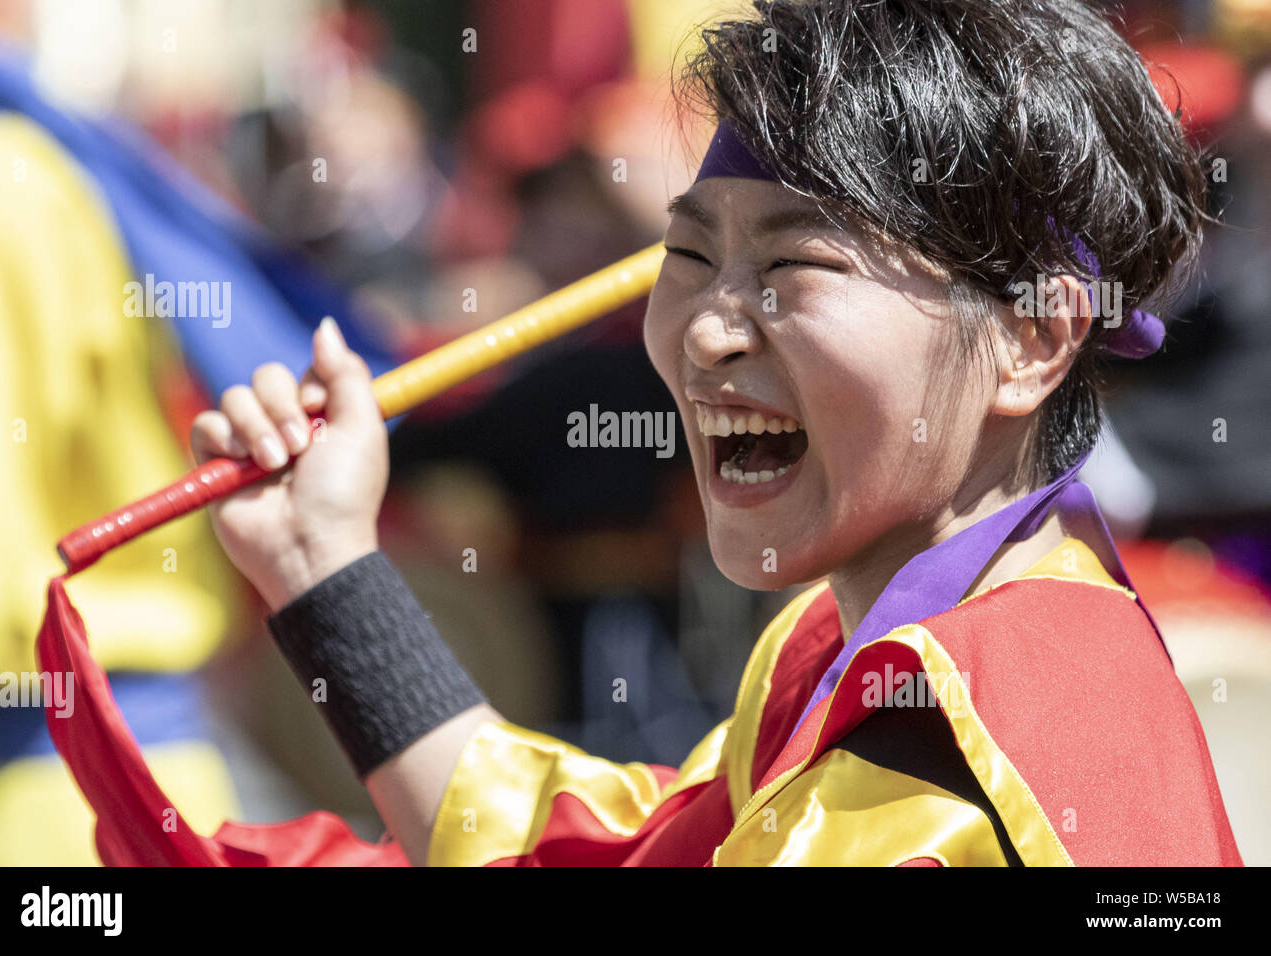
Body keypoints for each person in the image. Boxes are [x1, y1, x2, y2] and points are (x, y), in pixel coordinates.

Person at [189, 0, 1241, 866]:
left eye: (794, 268)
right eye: (688, 258)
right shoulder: (845, 646)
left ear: (1029, 339)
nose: (703, 326)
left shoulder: (972, 752)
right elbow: (611, 846)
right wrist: (320, 561)